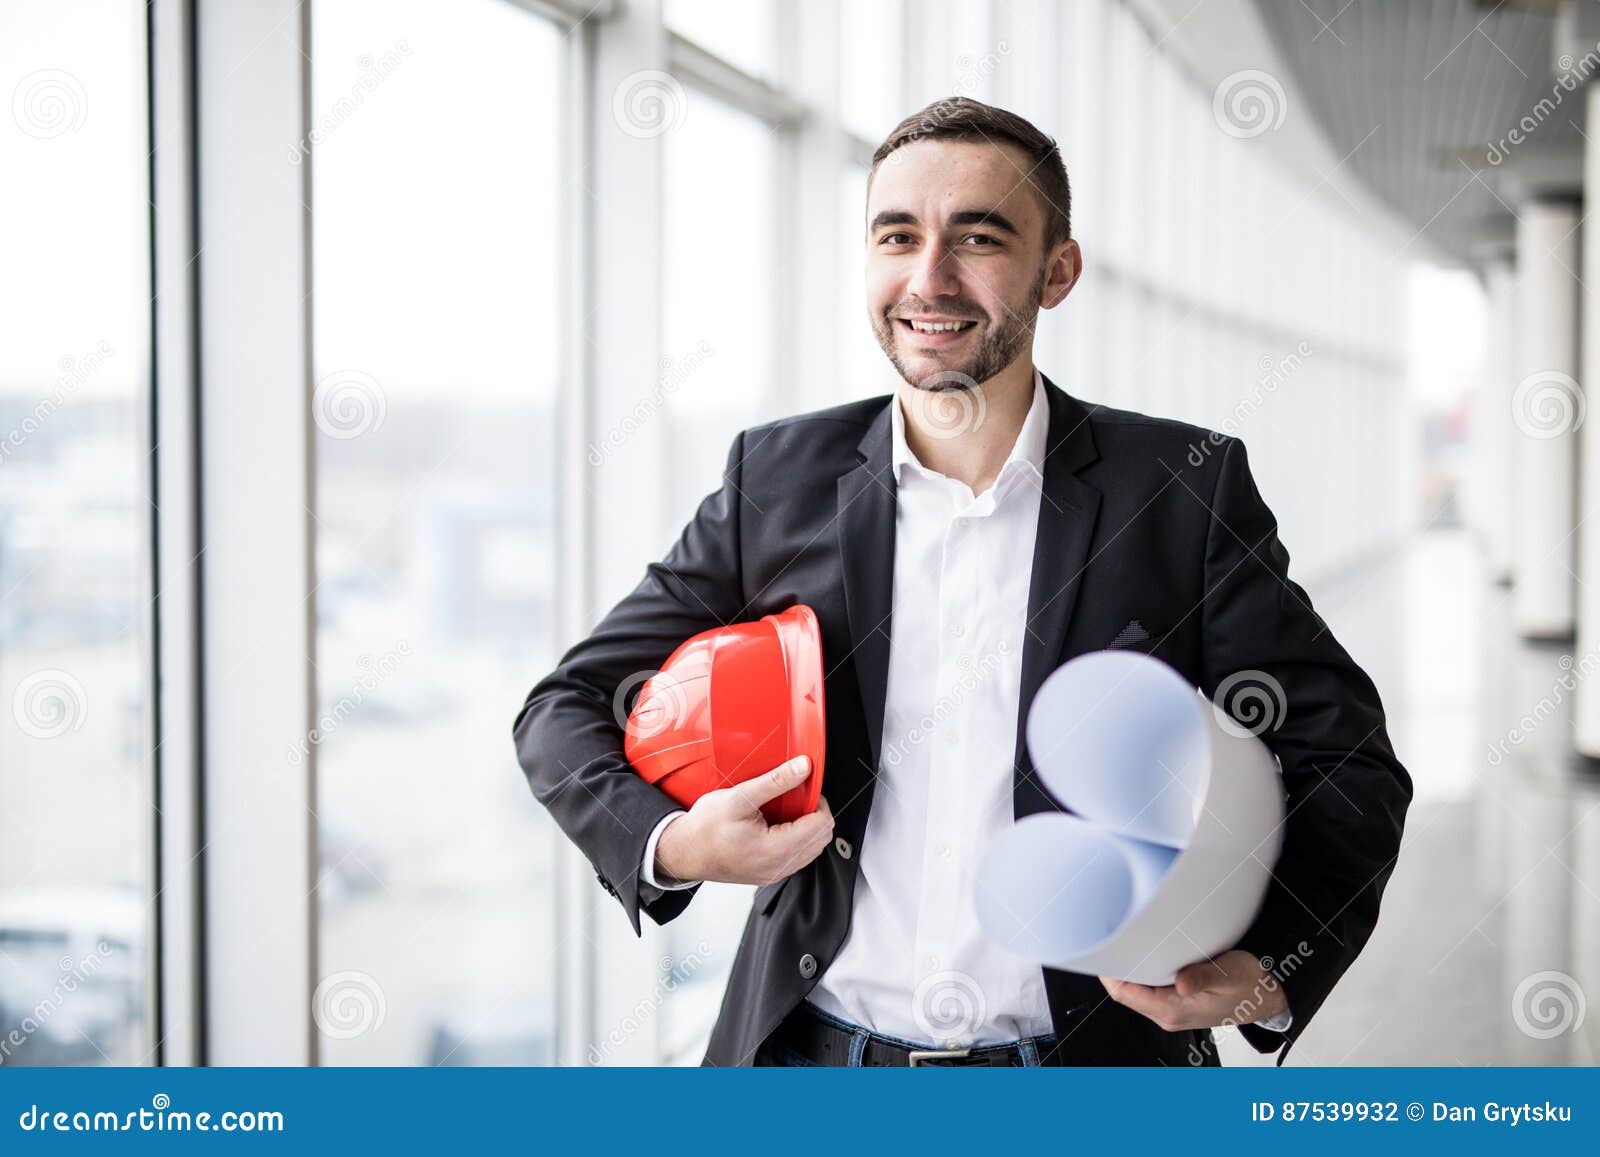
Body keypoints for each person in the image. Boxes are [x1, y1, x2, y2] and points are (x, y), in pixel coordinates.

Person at [512, 96, 1412, 1067]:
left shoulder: (1176, 490)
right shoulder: (777, 479)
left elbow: (1345, 757)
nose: (928, 277)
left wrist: (1270, 966)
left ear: (1055, 271)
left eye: (978, 237)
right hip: (810, 1061)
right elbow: (566, 705)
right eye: (897, 236)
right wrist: (676, 842)